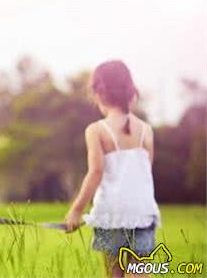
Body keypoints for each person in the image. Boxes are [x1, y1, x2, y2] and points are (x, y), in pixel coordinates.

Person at [64, 60, 161, 277]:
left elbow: (95, 172)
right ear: (130, 93)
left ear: (98, 94)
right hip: (143, 213)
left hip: (112, 215)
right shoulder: (146, 131)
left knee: (114, 273)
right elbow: (146, 173)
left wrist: (77, 210)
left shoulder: (97, 130)